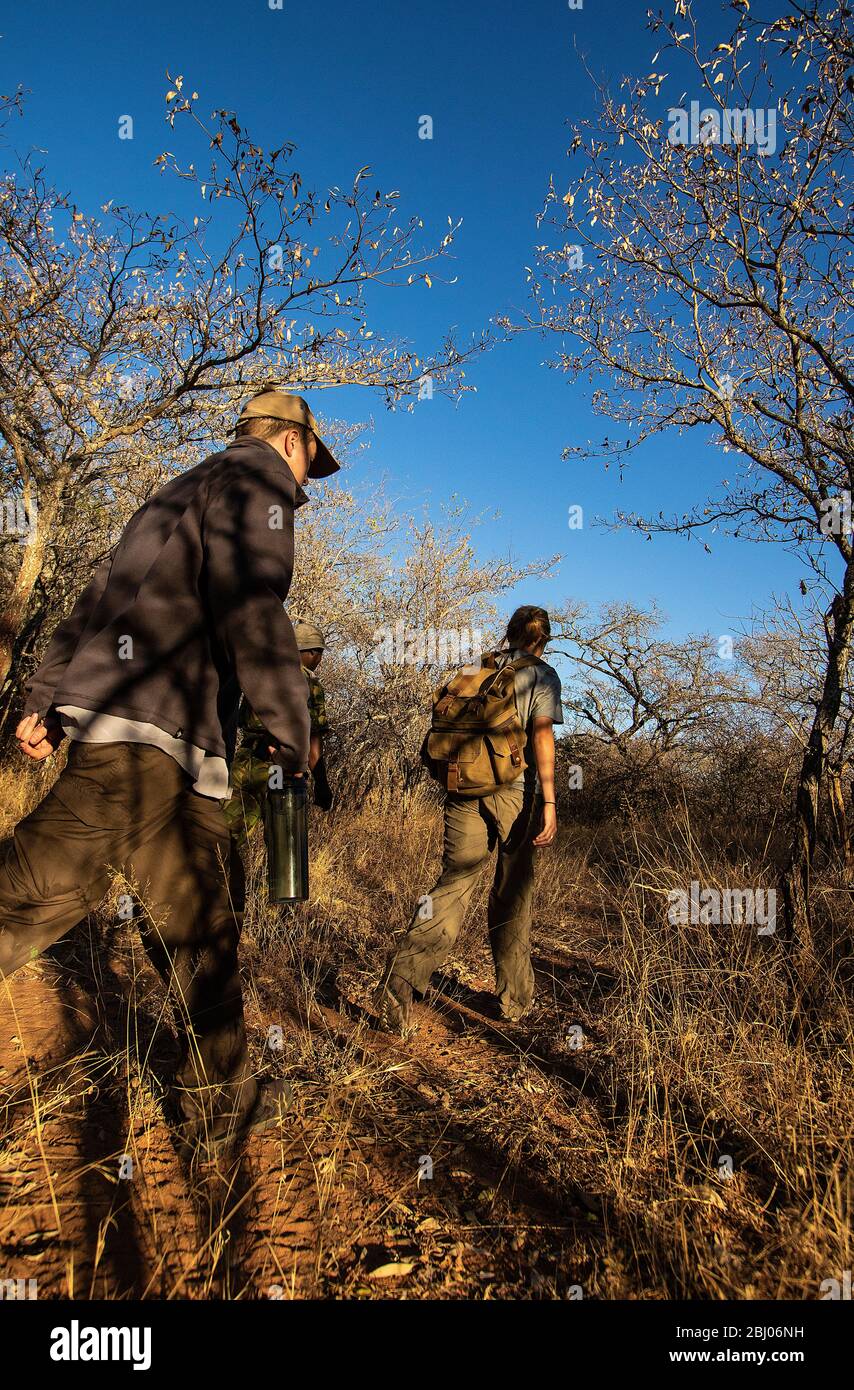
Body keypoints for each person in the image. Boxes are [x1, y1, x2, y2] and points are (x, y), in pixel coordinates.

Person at [0, 389, 340, 1162]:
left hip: (166, 747)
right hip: (149, 737)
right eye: (309, 466)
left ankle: (223, 1104)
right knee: (31, 895)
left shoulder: (171, 494)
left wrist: (47, 701)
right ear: (290, 442)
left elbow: (94, 605)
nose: (307, 486)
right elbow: (253, 606)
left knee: (201, 931)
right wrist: (293, 727)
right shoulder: (260, 488)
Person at [379, 606, 563, 1032]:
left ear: (510, 633)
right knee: (511, 895)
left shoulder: (475, 669)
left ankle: (402, 981)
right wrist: (549, 801)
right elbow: (541, 735)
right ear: (544, 639)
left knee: (453, 885)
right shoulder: (541, 675)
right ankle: (514, 1000)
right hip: (516, 795)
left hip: (464, 787)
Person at [223, 618, 332, 844]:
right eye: (318, 652)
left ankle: (216, 877)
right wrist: (322, 783)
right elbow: (312, 742)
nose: (319, 659)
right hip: (280, 769)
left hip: (246, 761)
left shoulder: (261, 674)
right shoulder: (308, 683)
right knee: (285, 842)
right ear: (309, 652)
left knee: (226, 833)